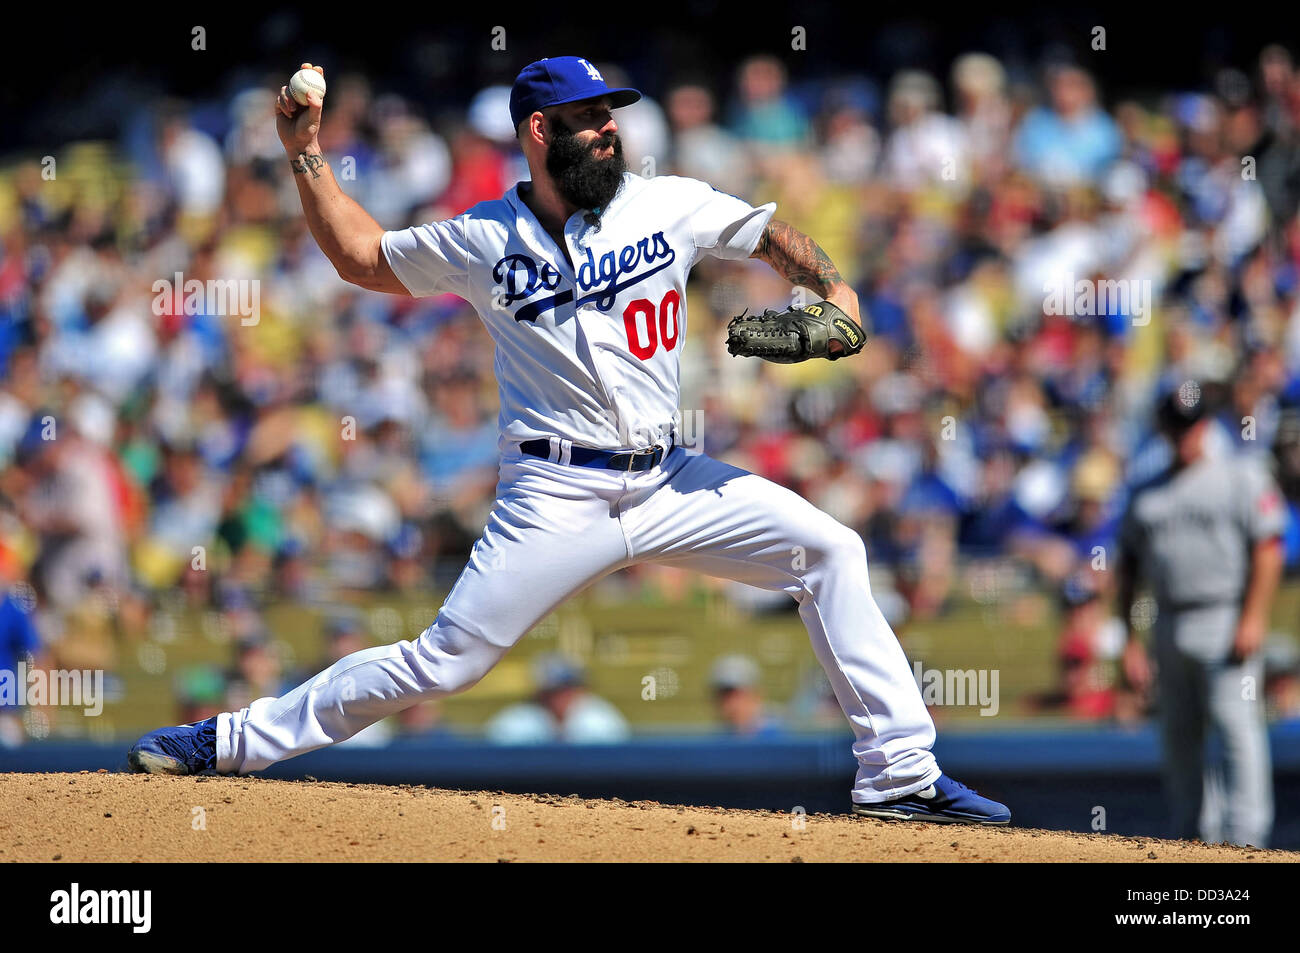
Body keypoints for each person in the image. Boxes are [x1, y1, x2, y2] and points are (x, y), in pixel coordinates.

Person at [127, 56, 1009, 826]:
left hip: (670, 478)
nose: (608, 133)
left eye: (611, 117)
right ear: (539, 130)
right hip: (552, 495)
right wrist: (305, 154)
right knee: (445, 660)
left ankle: (898, 774)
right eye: (588, 120)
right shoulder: (481, 238)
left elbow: (770, 235)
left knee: (832, 549)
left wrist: (837, 293)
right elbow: (360, 256)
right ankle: (232, 740)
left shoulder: (668, 203)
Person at [1117, 386, 1285, 846]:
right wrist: (1130, 637)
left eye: (1192, 424)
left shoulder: (1240, 477)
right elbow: (1127, 567)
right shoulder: (1146, 492)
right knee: (1178, 738)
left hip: (1224, 615)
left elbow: (1269, 549)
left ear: (1206, 425)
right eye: (1177, 426)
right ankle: (1191, 839)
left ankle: (1248, 840)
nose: (1185, 435)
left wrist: (1253, 617)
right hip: (1168, 623)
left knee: (1235, 728)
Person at [484, 654, 630, 744]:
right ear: (540, 693)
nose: (563, 696)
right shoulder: (516, 721)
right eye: (555, 691)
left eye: (570, 688)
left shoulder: (601, 718)